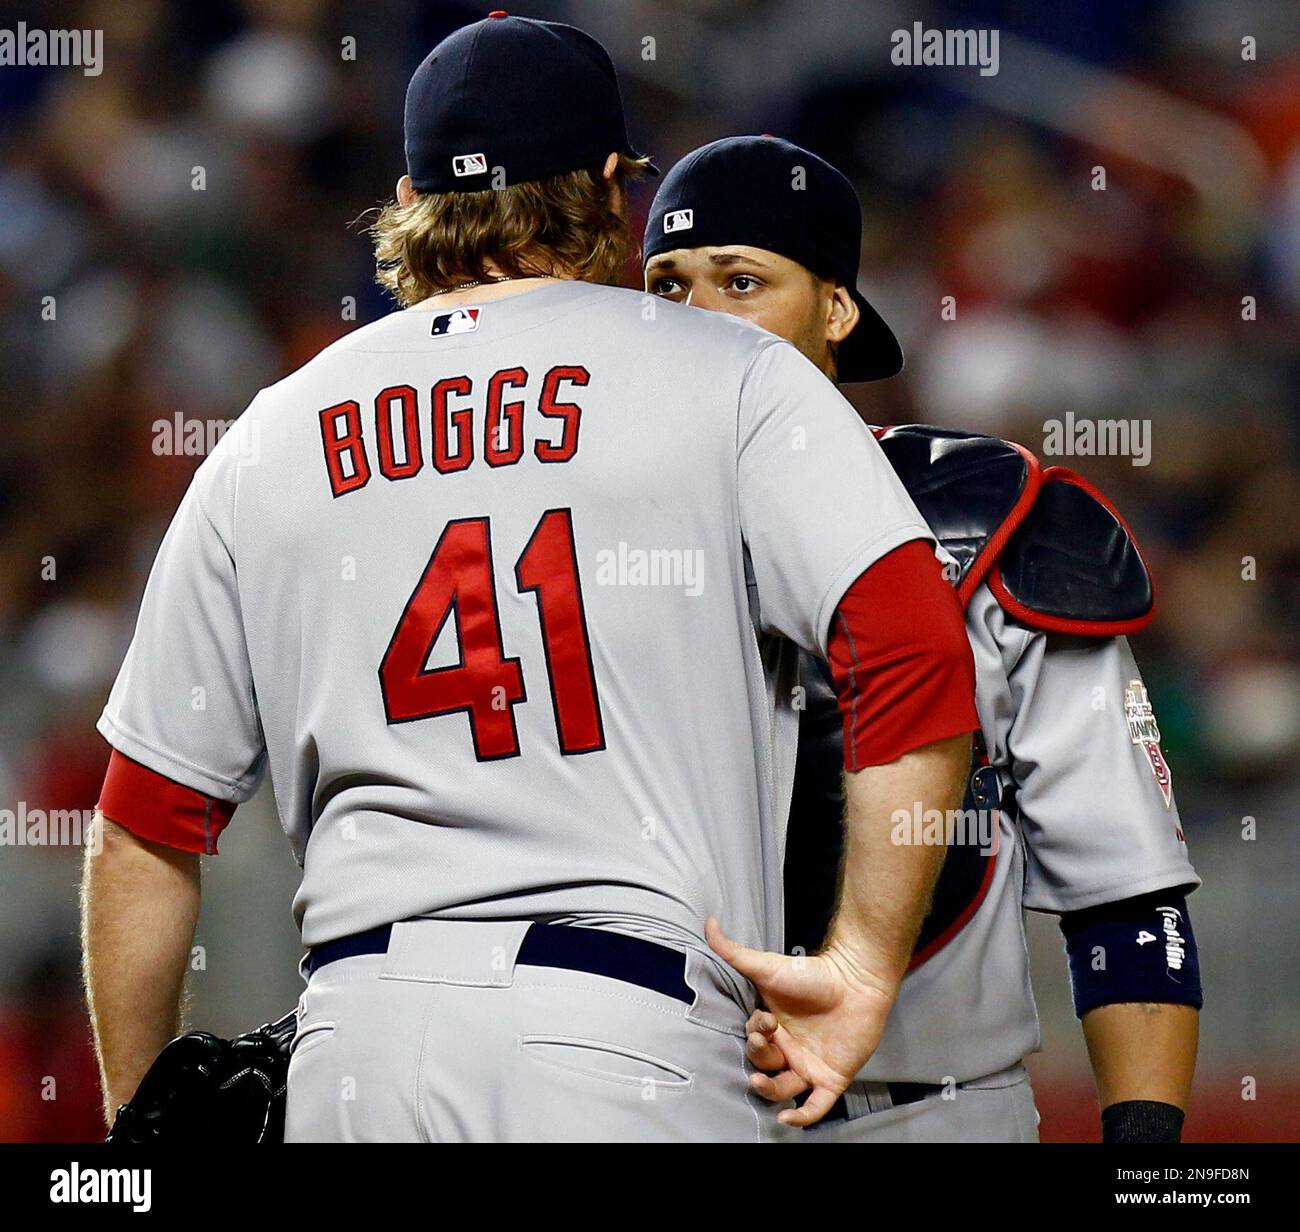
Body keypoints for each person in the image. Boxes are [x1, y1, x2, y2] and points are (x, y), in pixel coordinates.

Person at [81, 19, 978, 1143]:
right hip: (624, 1030)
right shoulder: (736, 372)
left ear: (409, 195)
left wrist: (135, 1124)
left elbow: (144, 824)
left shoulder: (274, 430)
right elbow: (914, 651)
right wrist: (858, 964)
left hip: (353, 1037)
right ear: (611, 189)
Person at [644, 135, 1203, 1144]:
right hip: (646, 1106)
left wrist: (1146, 1157)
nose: (697, 316)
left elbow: (1126, 892)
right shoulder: (569, 539)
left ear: (836, 309)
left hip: (936, 1112)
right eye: (665, 285)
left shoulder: (993, 526)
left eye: (740, 280)